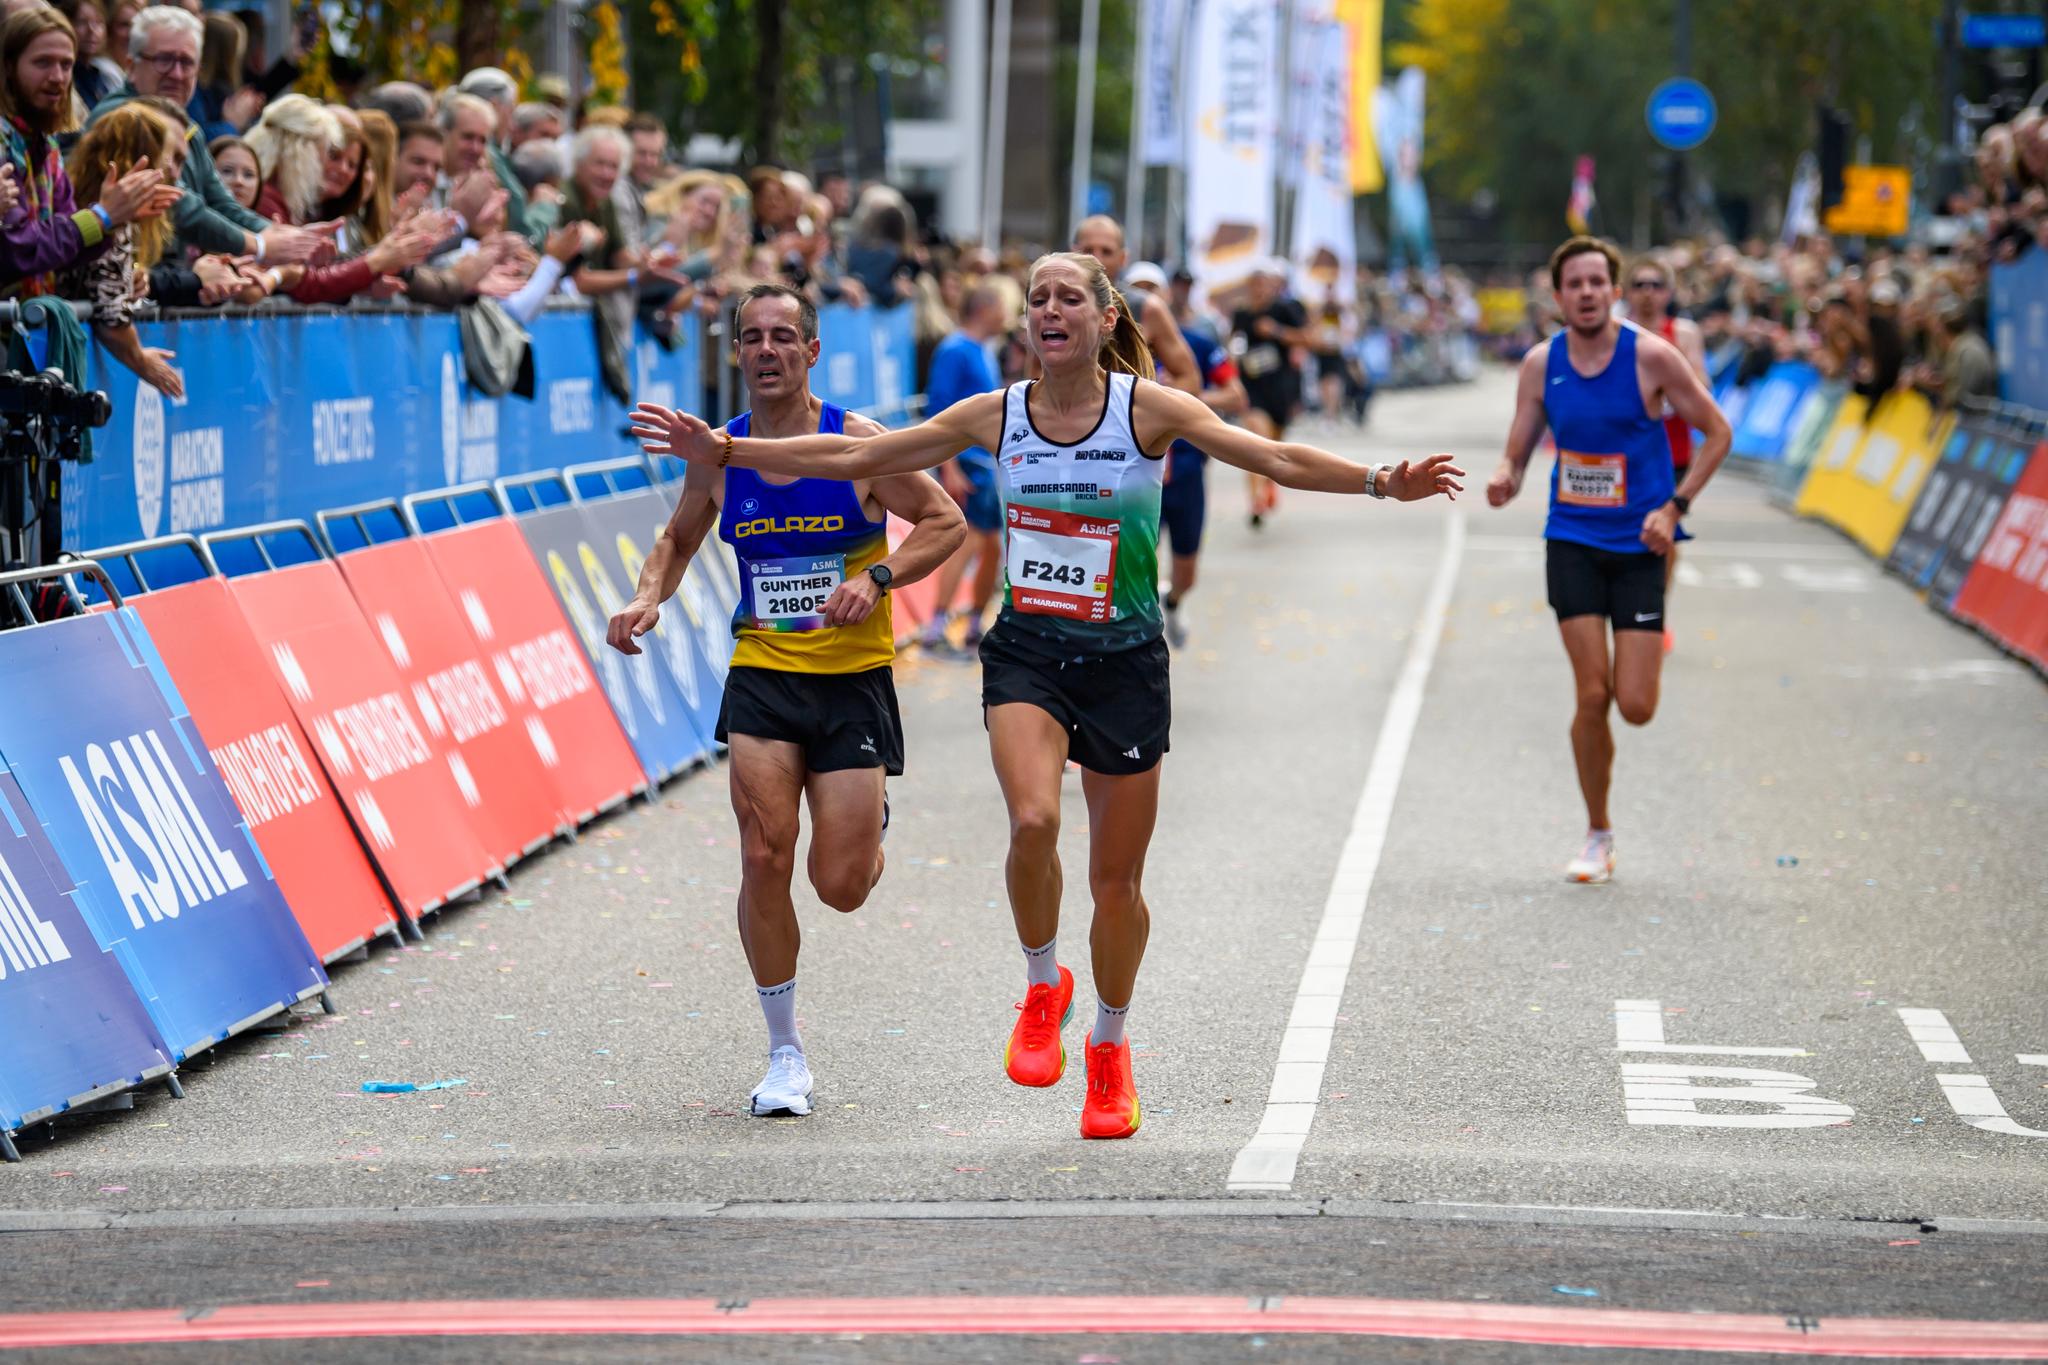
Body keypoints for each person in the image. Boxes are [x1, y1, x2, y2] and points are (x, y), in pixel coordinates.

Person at [630, 253, 1462, 1139]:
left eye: (1070, 297)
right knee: (1032, 823)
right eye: (1038, 299)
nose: (1050, 310)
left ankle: (1107, 1043)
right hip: (1027, 652)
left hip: (1126, 662)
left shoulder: (1150, 411)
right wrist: (726, 450)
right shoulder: (998, 414)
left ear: (1106, 320)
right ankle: (1040, 985)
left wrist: (1380, 480)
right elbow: (857, 454)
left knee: (1116, 882)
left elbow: (1270, 454)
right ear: (1027, 323)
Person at [605, 283, 965, 1118]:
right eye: (751, 338)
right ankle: (784, 1053)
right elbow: (680, 534)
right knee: (764, 851)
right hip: (763, 668)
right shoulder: (719, 451)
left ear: (810, 351)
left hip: (854, 680)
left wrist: (877, 578)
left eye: (782, 337)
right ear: (737, 355)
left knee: (840, 883)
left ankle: (868, 823)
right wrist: (647, 595)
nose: (766, 351)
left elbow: (946, 522)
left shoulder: (861, 442)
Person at [1486, 236, 1730, 885]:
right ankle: (1597, 831)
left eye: (1599, 281)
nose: (1588, 292)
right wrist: (1506, 475)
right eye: (1575, 283)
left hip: (1641, 544)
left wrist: (1675, 507)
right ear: (1558, 294)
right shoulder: (1541, 364)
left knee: (1636, 703)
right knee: (1591, 693)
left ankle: (1602, 818)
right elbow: (1519, 443)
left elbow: (1718, 431)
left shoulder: (1651, 356)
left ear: (1614, 290)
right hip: (1571, 539)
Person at [90, 5, 322, 266]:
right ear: (131, 66)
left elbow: (220, 200)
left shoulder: (188, 126)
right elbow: (178, 203)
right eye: (164, 60)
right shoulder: (122, 117)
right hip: (122, 284)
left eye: (187, 63)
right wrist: (258, 245)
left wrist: (288, 237)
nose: (177, 74)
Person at [1126, 261, 1248, 649]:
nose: (1145, 301)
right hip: (1135, 477)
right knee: (1135, 566)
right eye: (1136, 292)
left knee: (1186, 572)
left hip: (1187, 472)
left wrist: (1180, 401)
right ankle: (1139, 630)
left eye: (1152, 291)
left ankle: (1174, 601)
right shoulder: (1110, 350)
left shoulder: (1197, 345)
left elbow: (1236, 396)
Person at [61, 100, 189, 394]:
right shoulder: (108, 216)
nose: (170, 170)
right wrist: (141, 359)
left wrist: (133, 274)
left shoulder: (80, 197)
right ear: (140, 159)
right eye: (167, 157)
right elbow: (110, 312)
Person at [1622, 254, 1712, 651]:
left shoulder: (1685, 332)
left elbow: (1701, 388)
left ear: (1669, 292)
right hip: (1622, 452)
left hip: (1671, 451)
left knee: (1666, 537)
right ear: (1626, 291)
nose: (1647, 293)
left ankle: (1656, 612)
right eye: (1639, 284)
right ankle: (1623, 608)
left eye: (1656, 285)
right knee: (1624, 533)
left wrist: (1667, 389)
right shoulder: (1614, 331)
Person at [920, 281, 1008, 655]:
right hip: (968, 466)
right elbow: (938, 410)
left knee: (990, 547)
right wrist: (949, 468)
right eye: (1003, 306)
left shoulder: (982, 351)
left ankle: (973, 624)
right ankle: (936, 627)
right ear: (985, 307)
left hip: (984, 468)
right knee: (969, 542)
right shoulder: (955, 350)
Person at [1070, 213, 1200, 395]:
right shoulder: (1052, 305)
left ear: (1123, 258)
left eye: (1106, 251)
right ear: (1073, 253)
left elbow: (1190, 379)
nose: (1096, 259)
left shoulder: (1147, 308)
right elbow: (1036, 373)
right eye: (1088, 250)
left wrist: (1142, 410)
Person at [1231, 261, 1311, 528]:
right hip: (1252, 388)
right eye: (1253, 285)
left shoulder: (1284, 309)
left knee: (1275, 442)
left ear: (1272, 286)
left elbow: (1309, 338)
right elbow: (1233, 342)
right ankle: (1255, 500)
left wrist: (1276, 331)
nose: (1258, 290)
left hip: (1281, 387)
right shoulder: (1241, 314)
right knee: (1255, 441)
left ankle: (1268, 482)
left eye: (1263, 285)